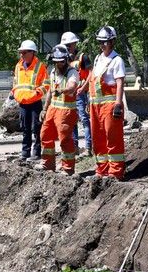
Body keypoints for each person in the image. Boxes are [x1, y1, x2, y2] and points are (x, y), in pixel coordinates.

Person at [88, 26, 127, 180]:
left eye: (105, 42)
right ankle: (102, 170)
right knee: (98, 138)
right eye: (100, 42)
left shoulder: (117, 60)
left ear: (112, 42)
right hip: (95, 106)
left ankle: (115, 172)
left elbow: (120, 83)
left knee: (113, 138)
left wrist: (118, 104)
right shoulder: (98, 58)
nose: (102, 45)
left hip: (110, 106)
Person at [38, 44, 79, 175]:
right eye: (56, 62)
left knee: (65, 139)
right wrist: (44, 109)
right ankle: (47, 164)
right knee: (45, 135)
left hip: (66, 111)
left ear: (66, 60)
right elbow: (50, 91)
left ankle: (67, 168)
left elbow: (72, 87)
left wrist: (62, 90)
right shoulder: (53, 72)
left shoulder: (72, 73)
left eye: (61, 62)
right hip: (52, 109)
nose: (58, 65)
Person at [12, 40, 48, 160]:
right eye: (21, 53)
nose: (21, 55)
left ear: (32, 52)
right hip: (22, 102)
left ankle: (36, 152)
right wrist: (15, 93)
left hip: (35, 102)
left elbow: (46, 84)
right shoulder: (18, 66)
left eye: (24, 52)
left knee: (36, 128)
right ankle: (25, 152)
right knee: (25, 128)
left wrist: (37, 93)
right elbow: (15, 83)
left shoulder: (40, 66)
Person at [60, 32, 92, 157]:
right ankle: (75, 148)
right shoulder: (64, 59)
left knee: (84, 119)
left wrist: (83, 87)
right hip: (69, 95)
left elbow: (91, 74)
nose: (67, 47)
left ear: (74, 44)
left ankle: (89, 147)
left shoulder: (82, 57)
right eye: (65, 45)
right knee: (72, 121)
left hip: (80, 93)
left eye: (69, 45)